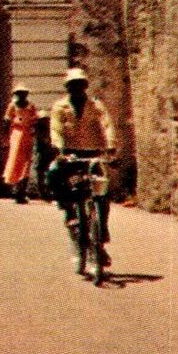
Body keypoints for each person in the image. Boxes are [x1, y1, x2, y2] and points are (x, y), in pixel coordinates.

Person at [49, 68, 117, 264]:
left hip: (92, 154)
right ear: (67, 87)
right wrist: (60, 149)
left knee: (102, 193)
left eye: (80, 84)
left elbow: (106, 124)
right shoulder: (59, 107)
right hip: (70, 155)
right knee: (54, 175)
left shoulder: (95, 105)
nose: (76, 89)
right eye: (72, 85)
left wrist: (111, 145)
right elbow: (56, 129)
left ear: (85, 86)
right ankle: (68, 210)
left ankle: (100, 239)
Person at [0, 89, 37, 201]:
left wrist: (34, 132)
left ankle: (22, 190)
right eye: (18, 94)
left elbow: (35, 121)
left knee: (26, 164)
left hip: (27, 136)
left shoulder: (31, 106)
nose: (21, 96)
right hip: (16, 134)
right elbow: (6, 122)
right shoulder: (12, 106)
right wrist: (5, 138)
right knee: (15, 162)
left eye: (23, 93)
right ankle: (16, 189)